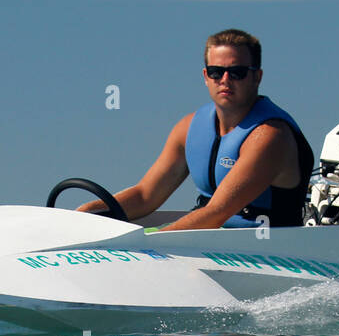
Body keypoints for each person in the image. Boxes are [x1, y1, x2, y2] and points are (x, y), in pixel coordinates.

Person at [77, 29, 314, 230]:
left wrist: (151, 239)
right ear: (205, 76)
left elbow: (216, 213)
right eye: (216, 72)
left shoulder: (270, 136)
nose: (225, 79)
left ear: (257, 77)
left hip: (266, 252)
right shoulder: (189, 127)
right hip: (206, 245)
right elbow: (145, 196)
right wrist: (83, 215)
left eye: (237, 72)